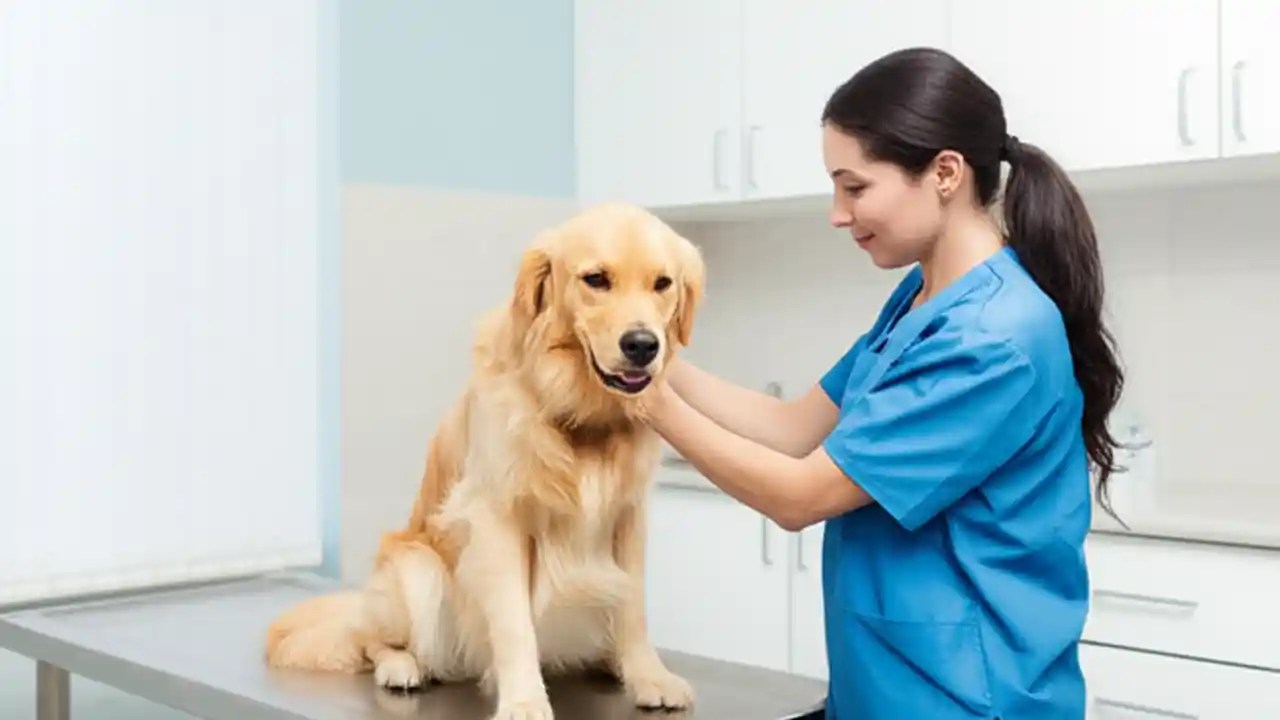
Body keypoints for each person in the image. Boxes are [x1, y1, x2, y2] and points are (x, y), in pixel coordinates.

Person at [643, 46, 1124, 720]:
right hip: (888, 688)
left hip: (965, 699)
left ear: (945, 172)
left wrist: (642, 401)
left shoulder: (995, 336)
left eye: (855, 186)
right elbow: (791, 427)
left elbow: (799, 495)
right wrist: (651, 360)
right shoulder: (924, 297)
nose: (838, 213)